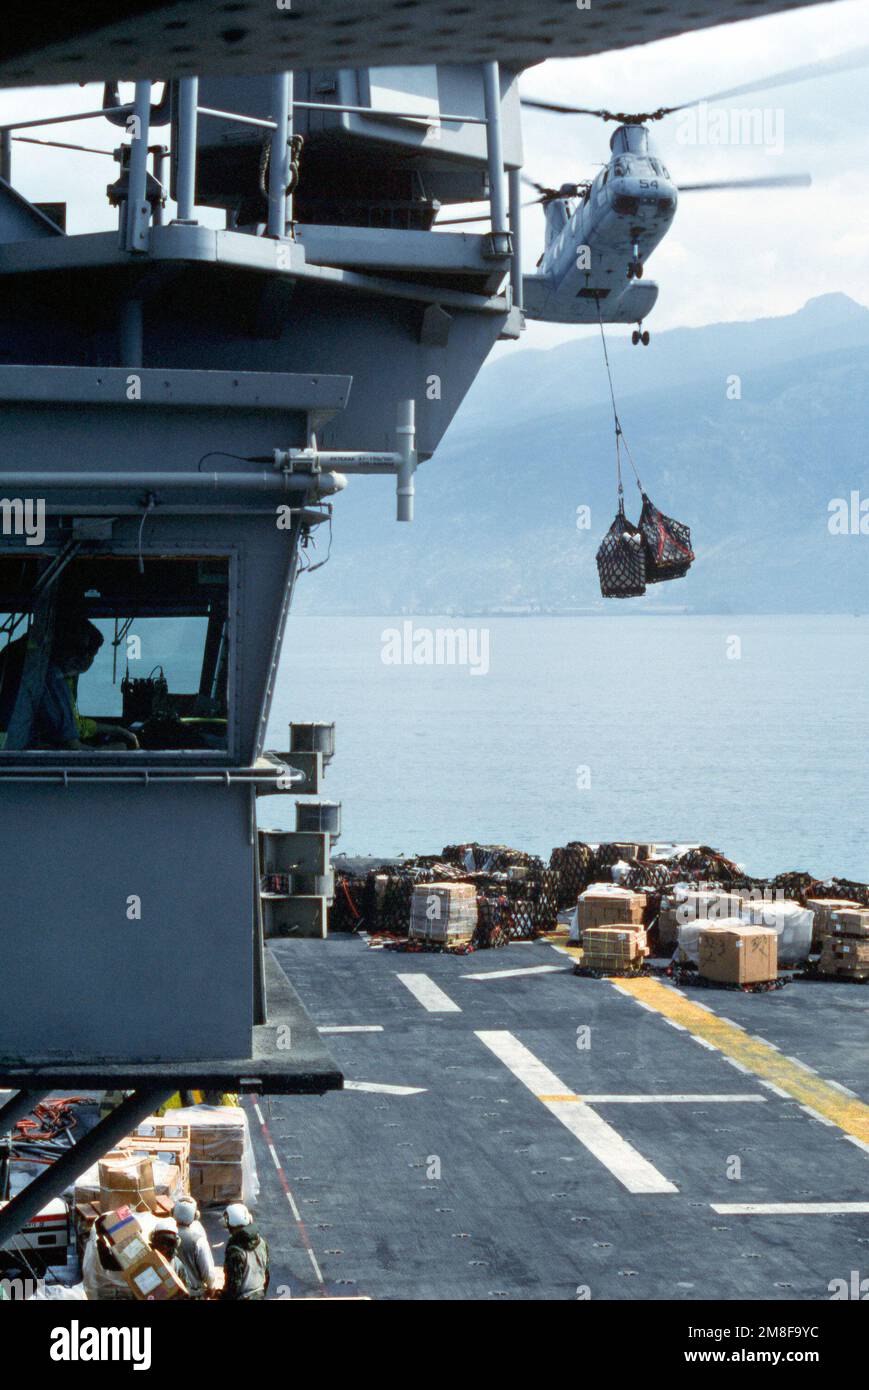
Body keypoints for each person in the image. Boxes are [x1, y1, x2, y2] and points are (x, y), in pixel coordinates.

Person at [0, 615, 138, 749]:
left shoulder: (16, 654)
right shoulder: (48, 675)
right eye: (87, 653)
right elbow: (72, 749)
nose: (86, 659)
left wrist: (116, 729)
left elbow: (70, 725)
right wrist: (115, 750)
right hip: (17, 760)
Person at [219, 1204, 270, 1301]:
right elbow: (266, 1275)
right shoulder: (262, 1243)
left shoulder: (235, 1251)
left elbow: (233, 1287)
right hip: (260, 1294)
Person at [173, 1196, 217, 1299]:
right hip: (193, 1294)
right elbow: (208, 1273)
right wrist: (211, 1287)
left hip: (172, 1293)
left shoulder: (166, 1236)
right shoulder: (198, 1241)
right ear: (195, 1215)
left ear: (173, 1213)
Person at [149, 1218, 190, 1292]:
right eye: (161, 1242)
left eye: (169, 1242)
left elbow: (186, 1288)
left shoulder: (178, 1265)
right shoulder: (146, 1259)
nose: (165, 1246)